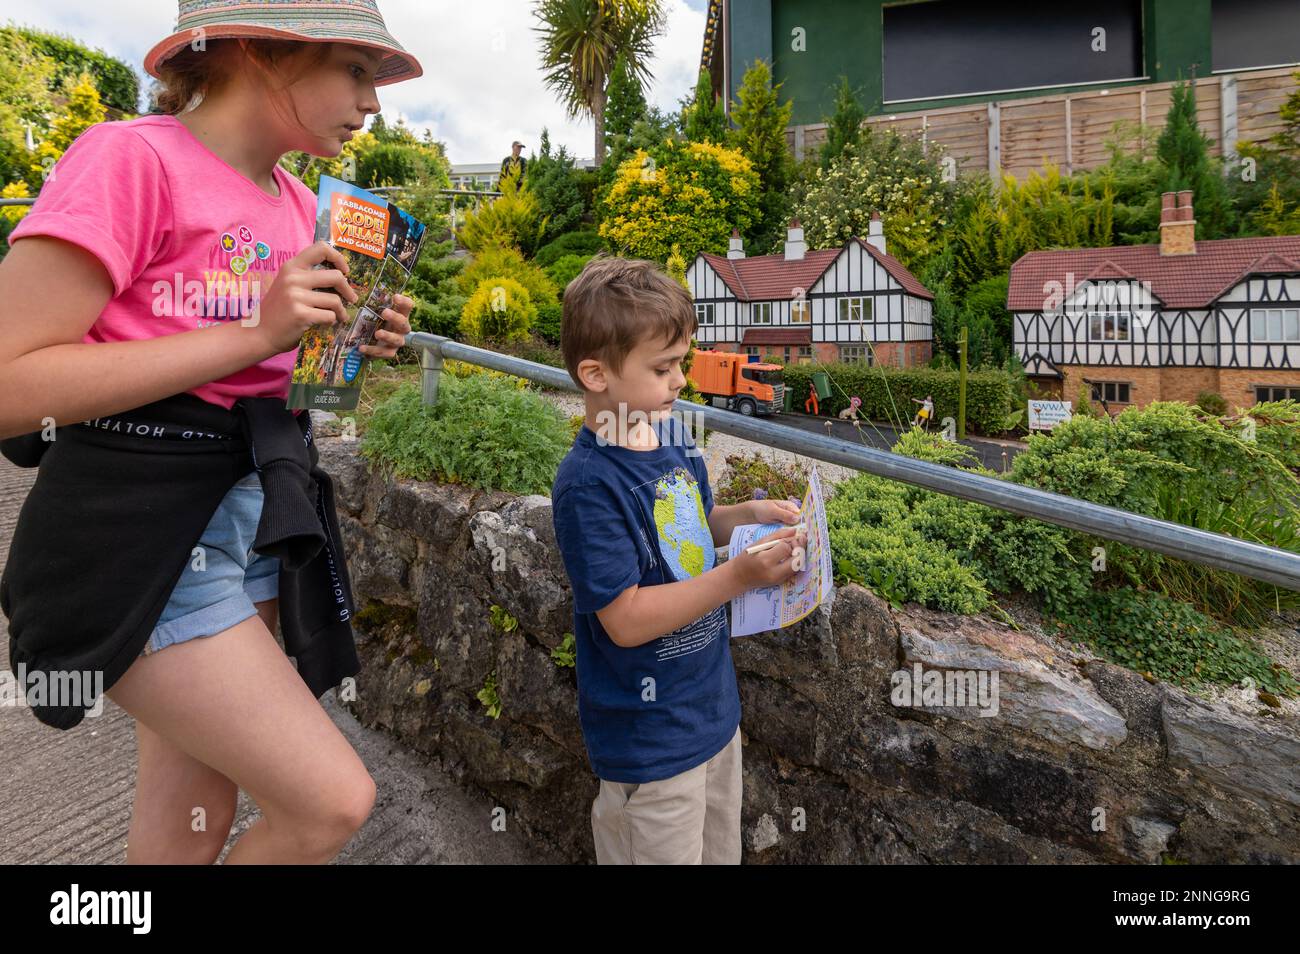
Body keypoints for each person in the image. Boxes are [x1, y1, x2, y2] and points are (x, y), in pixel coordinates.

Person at [0, 0, 422, 864]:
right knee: (331, 803)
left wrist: (344, 346)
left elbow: (279, 389)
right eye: (355, 69)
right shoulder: (132, 159)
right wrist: (255, 332)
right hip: (147, 533)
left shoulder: (308, 205)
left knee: (191, 800)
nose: (373, 101)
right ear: (262, 53)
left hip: (254, 521)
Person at [550, 255, 807, 864]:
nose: (681, 381)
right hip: (649, 739)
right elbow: (626, 618)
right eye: (663, 368)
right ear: (596, 374)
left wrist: (746, 514)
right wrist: (738, 575)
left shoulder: (673, 437)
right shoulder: (588, 484)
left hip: (712, 715)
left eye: (682, 363)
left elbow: (689, 529)